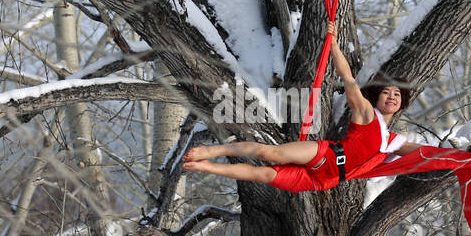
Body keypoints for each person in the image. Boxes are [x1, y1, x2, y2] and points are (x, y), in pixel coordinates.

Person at [182, 20, 425, 190]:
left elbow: (425, 154)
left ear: (402, 103)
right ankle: (215, 151)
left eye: (397, 95)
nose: (392, 97)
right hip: (326, 156)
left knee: (264, 174)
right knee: (272, 154)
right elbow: (347, 77)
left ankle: (208, 167)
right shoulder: (366, 112)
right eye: (387, 92)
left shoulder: (394, 141)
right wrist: (334, 46)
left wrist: (461, 157)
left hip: (325, 181)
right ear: (377, 97)